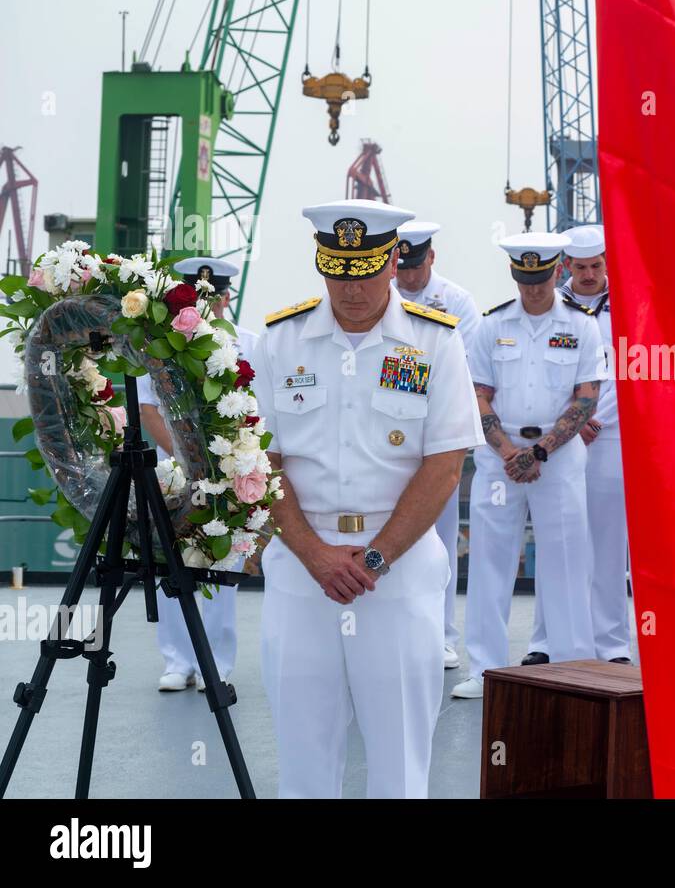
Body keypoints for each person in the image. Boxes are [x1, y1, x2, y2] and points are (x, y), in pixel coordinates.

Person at [250, 199, 482, 798]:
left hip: (397, 572)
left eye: (364, 273)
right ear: (322, 266)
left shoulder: (433, 343)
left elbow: (445, 464)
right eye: (337, 273)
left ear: (392, 263)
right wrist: (313, 554)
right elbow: (260, 462)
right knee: (302, 756)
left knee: (399, 759)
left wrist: (374, 559)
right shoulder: (279, 341)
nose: (351, 289)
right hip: (302, 570)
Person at [450, 232, 605, 699]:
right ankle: (486, 669)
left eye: (540, 279)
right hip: (500, 457)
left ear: (557, 271)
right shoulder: (490, 325)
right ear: (514, 275)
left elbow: (586, 398)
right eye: (525, 279)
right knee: (489, 563)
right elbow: (478, 394)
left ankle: (572, 665)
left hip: (557, 457)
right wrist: (508, 453)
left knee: (567, 562)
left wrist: (539, 453)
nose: (533, 289)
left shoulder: (581, 326)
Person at [138, 256, 258, 692]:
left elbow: (259, 408)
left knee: (223, 562)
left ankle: (217, 662)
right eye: (197, 300)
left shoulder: (250, 343)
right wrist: (189, 459)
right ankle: (177, 660)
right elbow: (148, 409)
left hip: (229, 470)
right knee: (171, 561)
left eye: (214, 298)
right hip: (174, 471)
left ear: (226, 298)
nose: (207, 307)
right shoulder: (160, 346)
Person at [525, 224, 632, 665]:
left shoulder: (631, 306)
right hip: (560, 439)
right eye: (580, 267)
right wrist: (570, 422)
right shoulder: (548, 307)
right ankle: (544, 642)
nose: (588, 275)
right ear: (566, 265)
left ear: (607, 264)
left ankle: (611, 645)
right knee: (557, 540)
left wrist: (598, 418)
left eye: (596, 266)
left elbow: (639, 370)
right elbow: (536, 372)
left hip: (611, 437)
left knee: (609, 545)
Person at [393, 220, 480, 670]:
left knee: (441, 540)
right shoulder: (381, 294)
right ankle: (396, 631)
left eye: (415, 266)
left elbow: (464, 367)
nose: (408, 277)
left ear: (431, 257)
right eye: (401, 267)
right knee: (388, 533)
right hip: (389, 432)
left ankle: (443, 635)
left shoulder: (457, 301)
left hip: (437, 435)